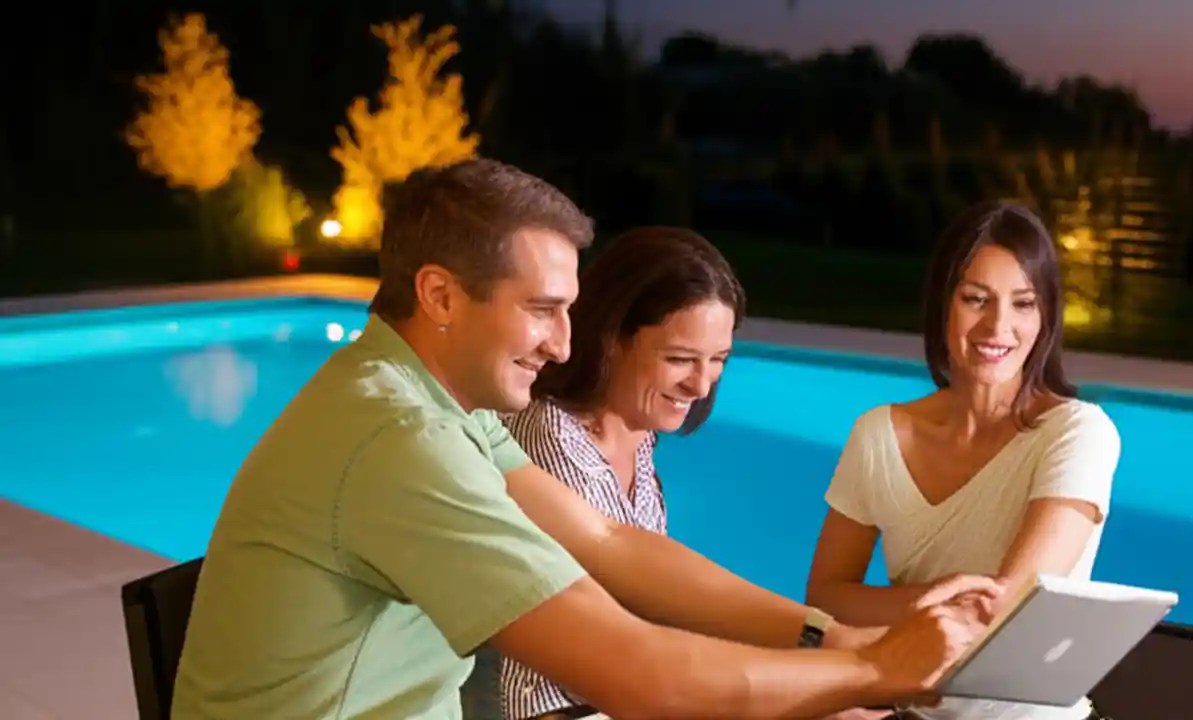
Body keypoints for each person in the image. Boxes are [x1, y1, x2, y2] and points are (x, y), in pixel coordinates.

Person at [172, 158, 997, 720]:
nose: (566, 345)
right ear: (441, 295)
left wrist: (831, 636)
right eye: (541, 309)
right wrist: (877, 671)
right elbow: (638, 676)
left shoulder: (436, 407)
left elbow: (611, 542)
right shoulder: (401, 436)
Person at [806, 201, 1122, 720]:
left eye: (1023, 303)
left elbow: (1005, 610)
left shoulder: (1078, 434)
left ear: (1045, 317)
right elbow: (825, 596)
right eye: (977, 299)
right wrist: (937, 599)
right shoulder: (879, 436)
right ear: (942, 306)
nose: (999, 326)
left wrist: (907, 611)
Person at [496, 226, 742, 719]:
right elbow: (633, 629)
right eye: (679, 359)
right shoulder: (553, 441)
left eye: (717, 360)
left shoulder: (635, 429)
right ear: (613, 339)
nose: (700, 384)